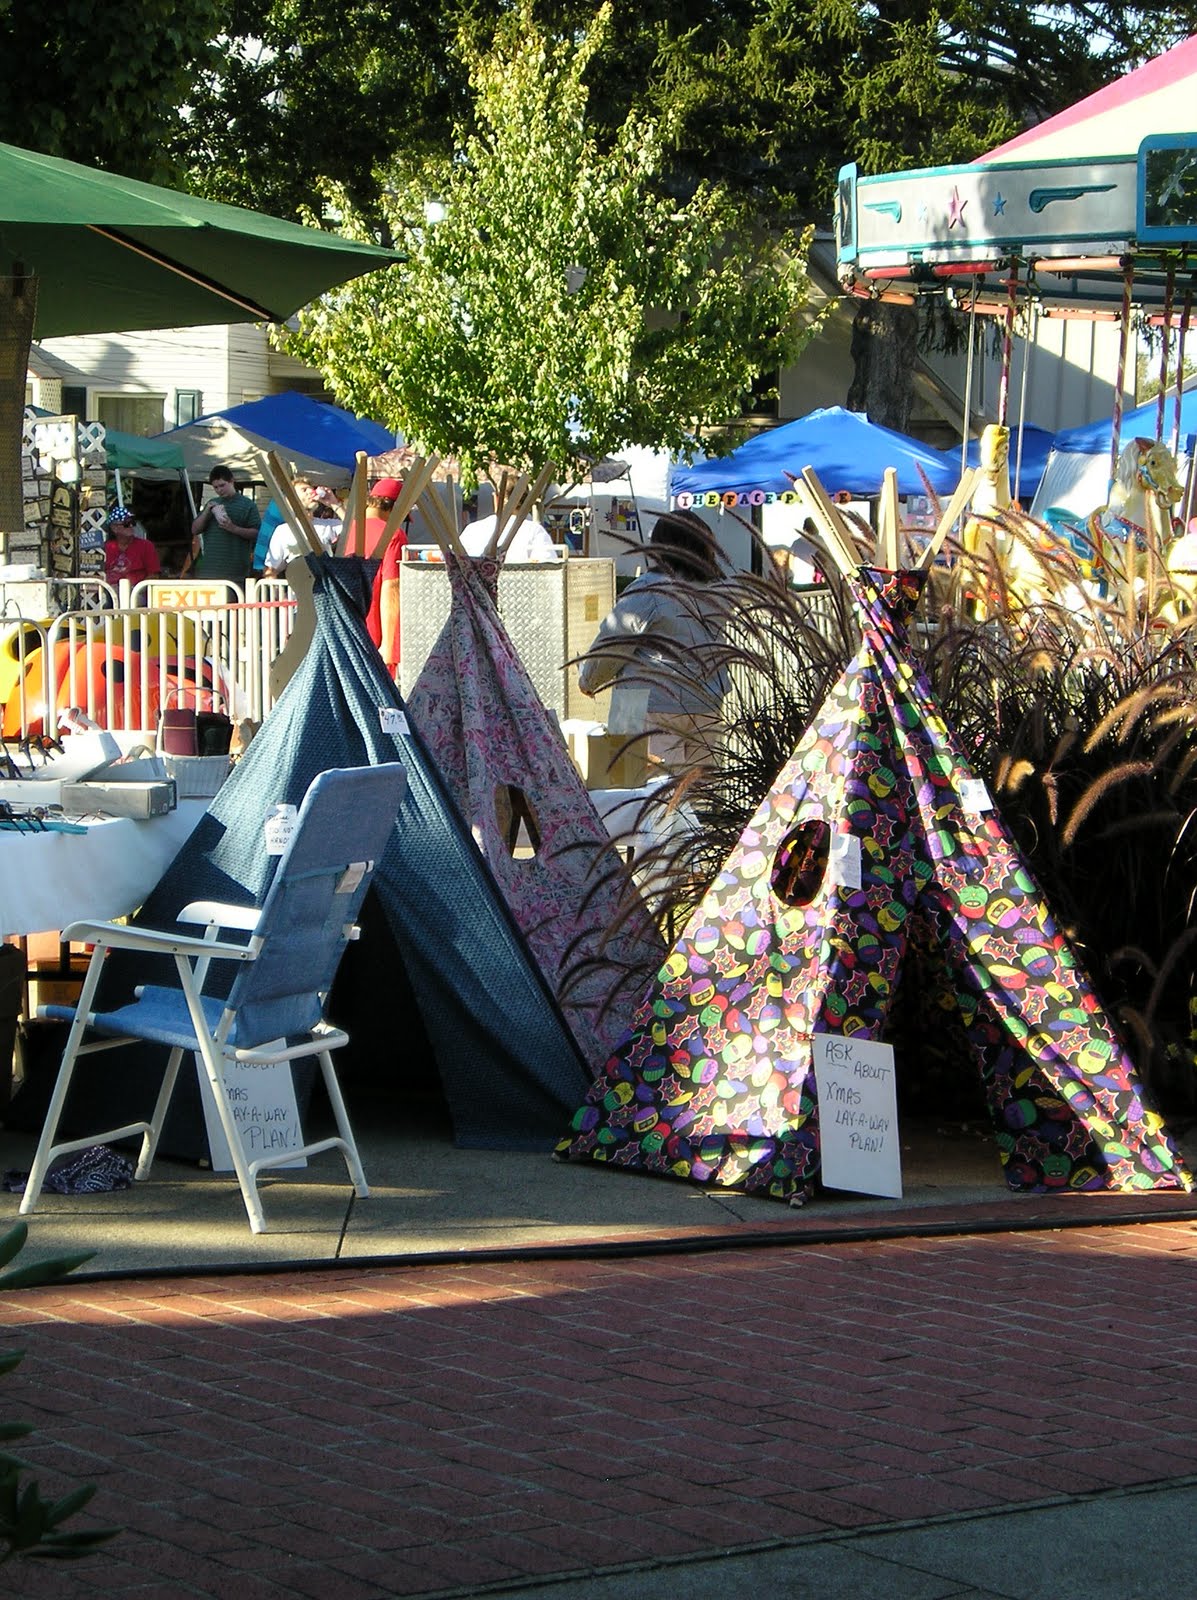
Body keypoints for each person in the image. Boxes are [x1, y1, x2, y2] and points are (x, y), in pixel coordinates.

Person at [578, 509, 728, 772]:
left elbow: (614, 642)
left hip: (650, 707)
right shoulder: (718, 591)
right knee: (698, 804)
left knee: (644, 797)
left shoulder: (650, 589)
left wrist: (589, 679)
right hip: (706, 705)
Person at [363, 478, 408, 675]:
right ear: (395, 508)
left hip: (352, 631)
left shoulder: (349, 531)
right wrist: (389, 646)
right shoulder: (393, 535)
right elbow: (392, 586)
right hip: (378, 635)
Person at [191, 465, 262, 583]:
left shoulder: (248, 505)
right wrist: (207, 511)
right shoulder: (212, 503)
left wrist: (233, 528)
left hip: (235, 573)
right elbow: (195, 530)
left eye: (222, 485)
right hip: (209, 571)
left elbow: (257, 533)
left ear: (232, 481)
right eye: (216, 487)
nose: (219, 490)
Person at [261, 480, 342, 576]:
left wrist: (335, 504)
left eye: (311, 489)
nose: (311, 492)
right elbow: (271, 569)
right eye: (304, 490)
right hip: (298, 588)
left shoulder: (330, 525)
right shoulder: (283, 531)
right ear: (291, 500)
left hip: (328, 588)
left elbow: (355, 530)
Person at [461, 510, 557, 562]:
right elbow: (547, 567)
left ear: (496, 498)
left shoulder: (473, 529)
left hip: (474, 596)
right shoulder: (535, 530)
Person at [104, 506, 161, 586]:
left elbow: (154, 575)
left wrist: (137, 590)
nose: (131, 526)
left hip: (138, 592)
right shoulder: (106, 548)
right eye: (126, 524)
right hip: (110, 591)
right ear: (114, 528)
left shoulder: (146, 546)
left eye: (132, 522)